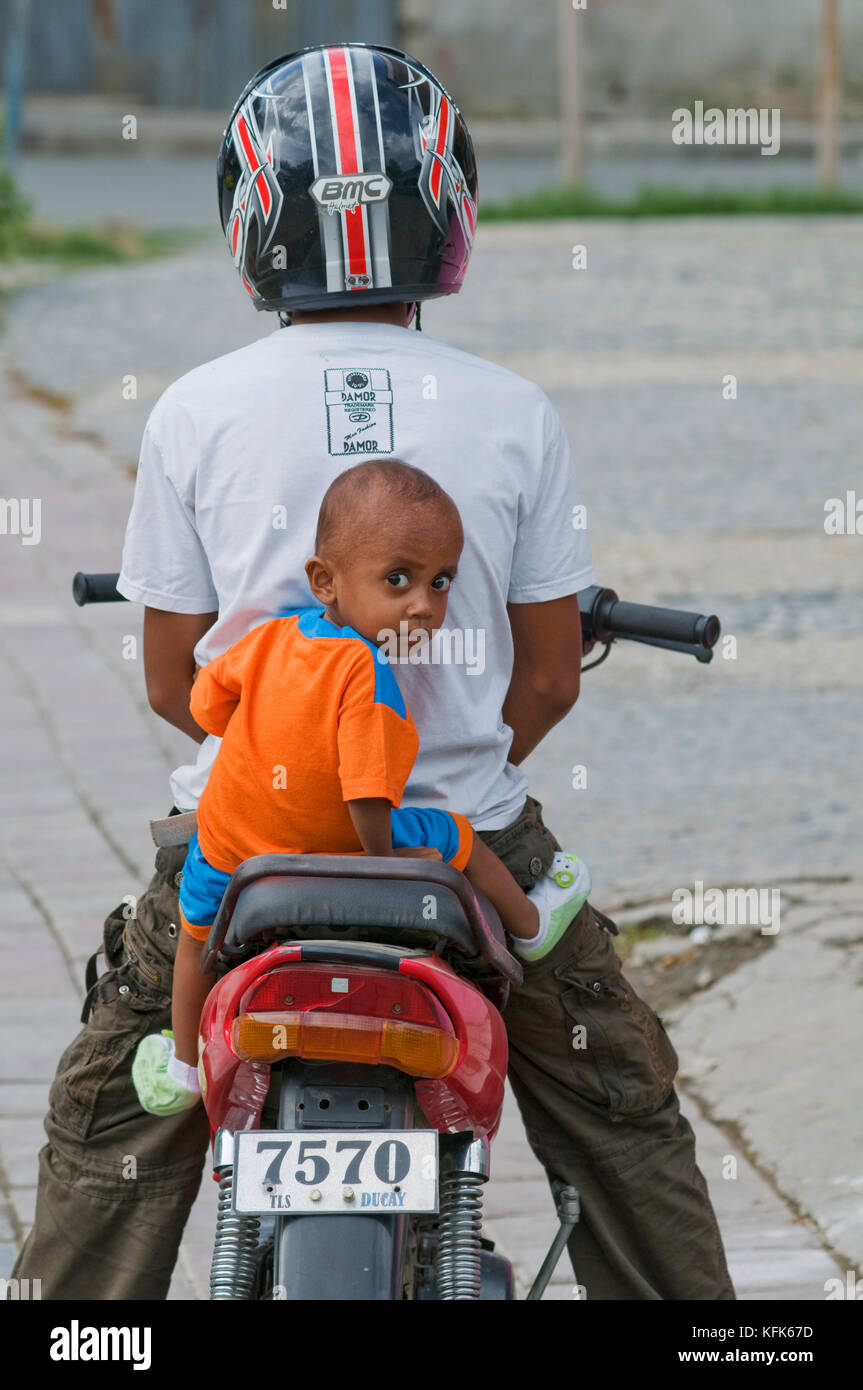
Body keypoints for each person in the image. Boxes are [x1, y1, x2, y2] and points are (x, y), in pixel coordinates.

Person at [13, 42, 734, 1299]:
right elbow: (553, 678)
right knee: (619, 1107)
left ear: (251, 218)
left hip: (241, 843)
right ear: (445, 207)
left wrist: (273, 744)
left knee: (105, 1125)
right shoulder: (512, 410)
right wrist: (445, 766)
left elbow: (175, 680)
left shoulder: (193, 409)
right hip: (456, 842)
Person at [133, 461, 591, 1114]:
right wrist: (384, 862)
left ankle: (183, 1066)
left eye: (441, 583)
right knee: (455, 834)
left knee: (193, 934)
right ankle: (530, 924)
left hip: (231, 844)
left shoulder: (268, 639)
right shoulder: (368, 673)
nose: (423, 605)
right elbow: (366, 791)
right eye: (398, 579)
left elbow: (207, 703)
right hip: (341, 839)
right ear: (324, 578)